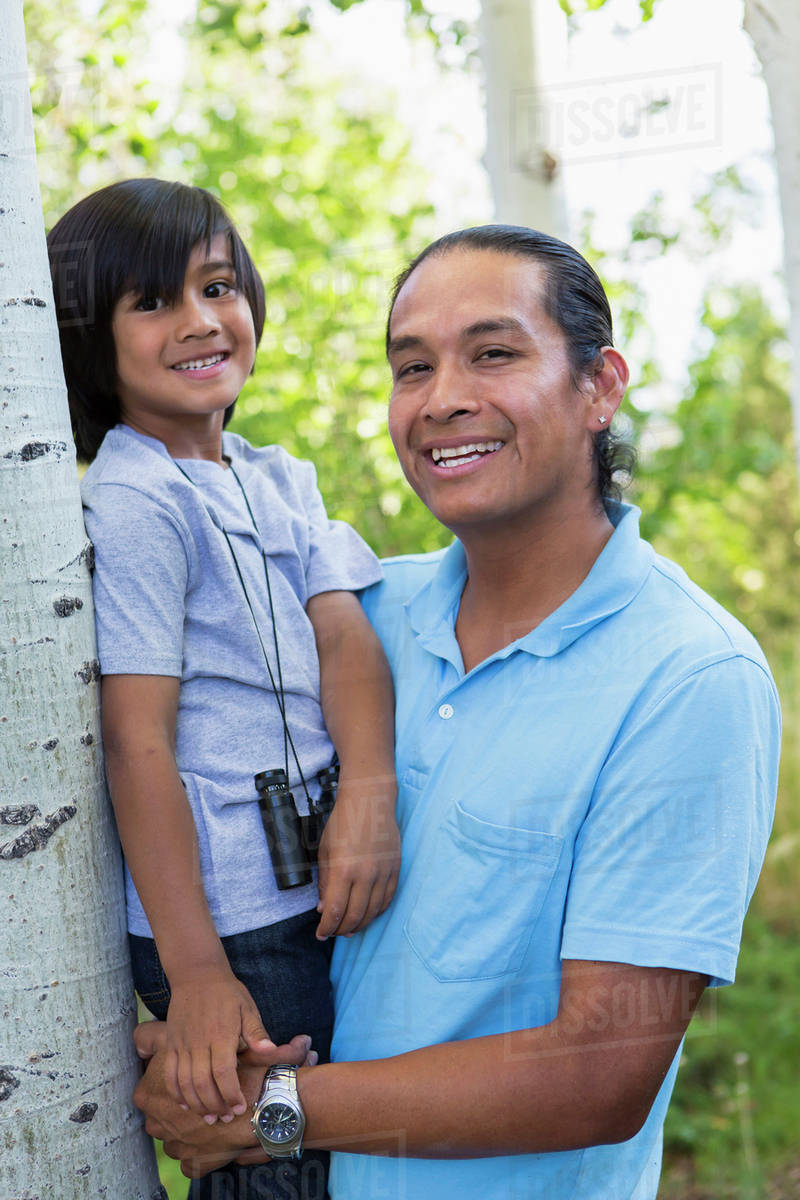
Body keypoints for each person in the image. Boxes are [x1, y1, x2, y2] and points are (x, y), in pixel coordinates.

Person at [133, 225, 780, 1200]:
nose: (440, 400)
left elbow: (596, 1077)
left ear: (598, 385)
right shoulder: (354, 626)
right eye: (410, 367)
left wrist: (269, 1109)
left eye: (492, 353)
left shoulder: (687, 677)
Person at [47, 178, 401, 1200]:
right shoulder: (133, 498)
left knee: (326, 1145)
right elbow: (137, 743)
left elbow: (345, 642)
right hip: (229, 924)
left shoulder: (276, 474)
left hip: (326, 886)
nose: (201, 321)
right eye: (153, 303)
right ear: (89, 341)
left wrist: (369, 797)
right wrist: (198, 973)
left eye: (217, 286)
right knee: (267, 1155)